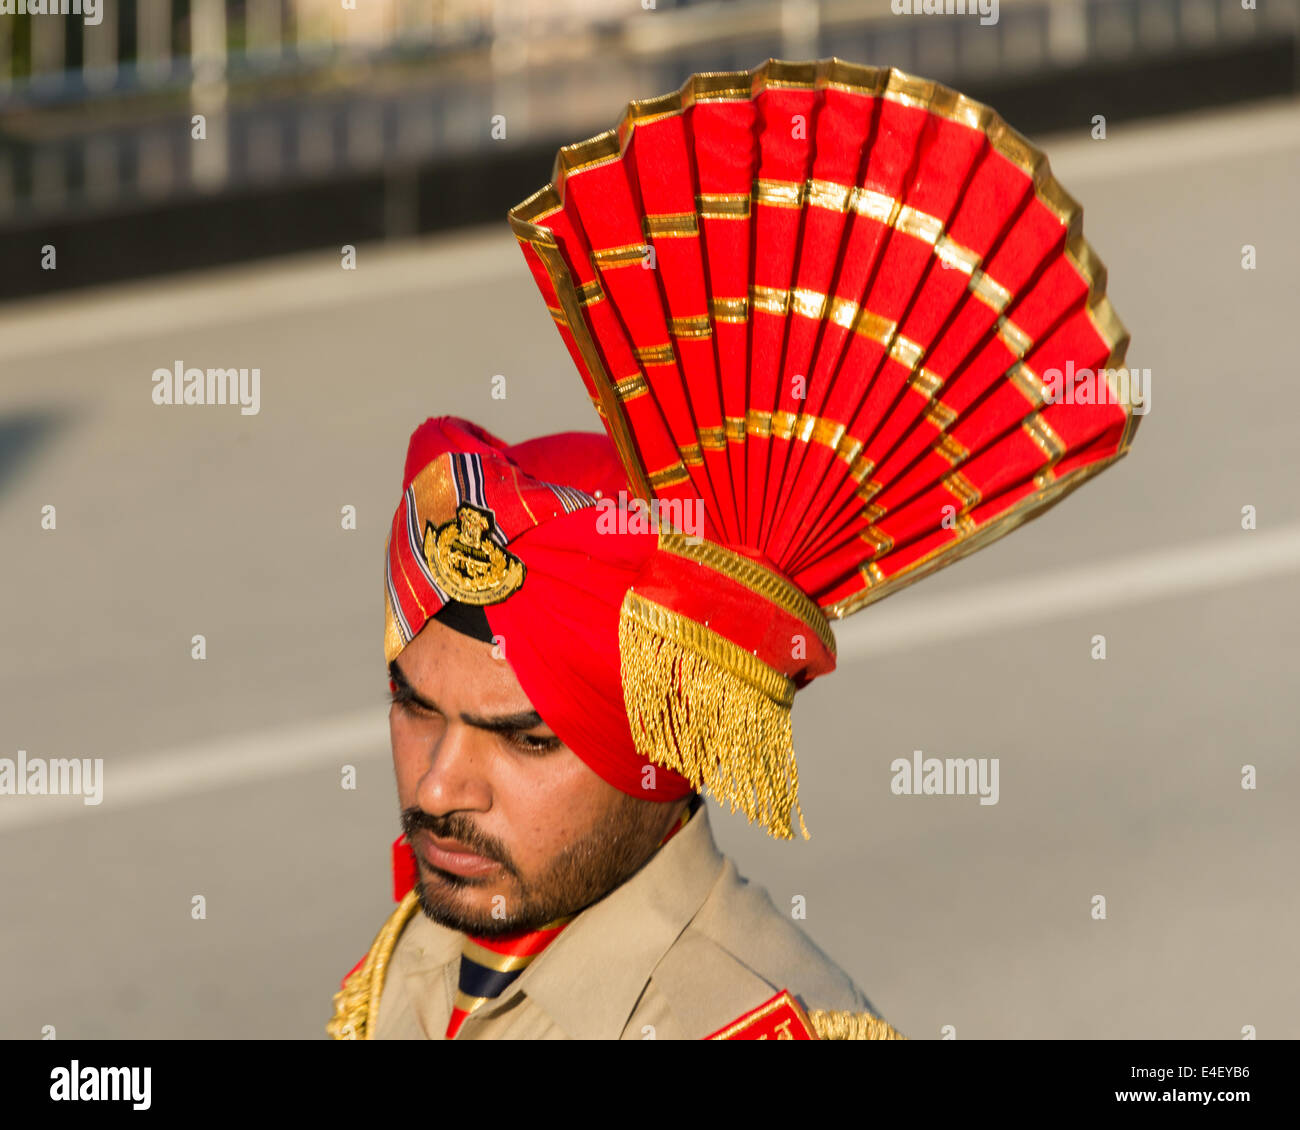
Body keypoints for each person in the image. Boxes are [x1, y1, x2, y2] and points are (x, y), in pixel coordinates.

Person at [327, 58, 1139, 1041]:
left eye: (528, 735)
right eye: (414, 706)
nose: (437, 786)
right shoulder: (416, 953)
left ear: (676, 740)